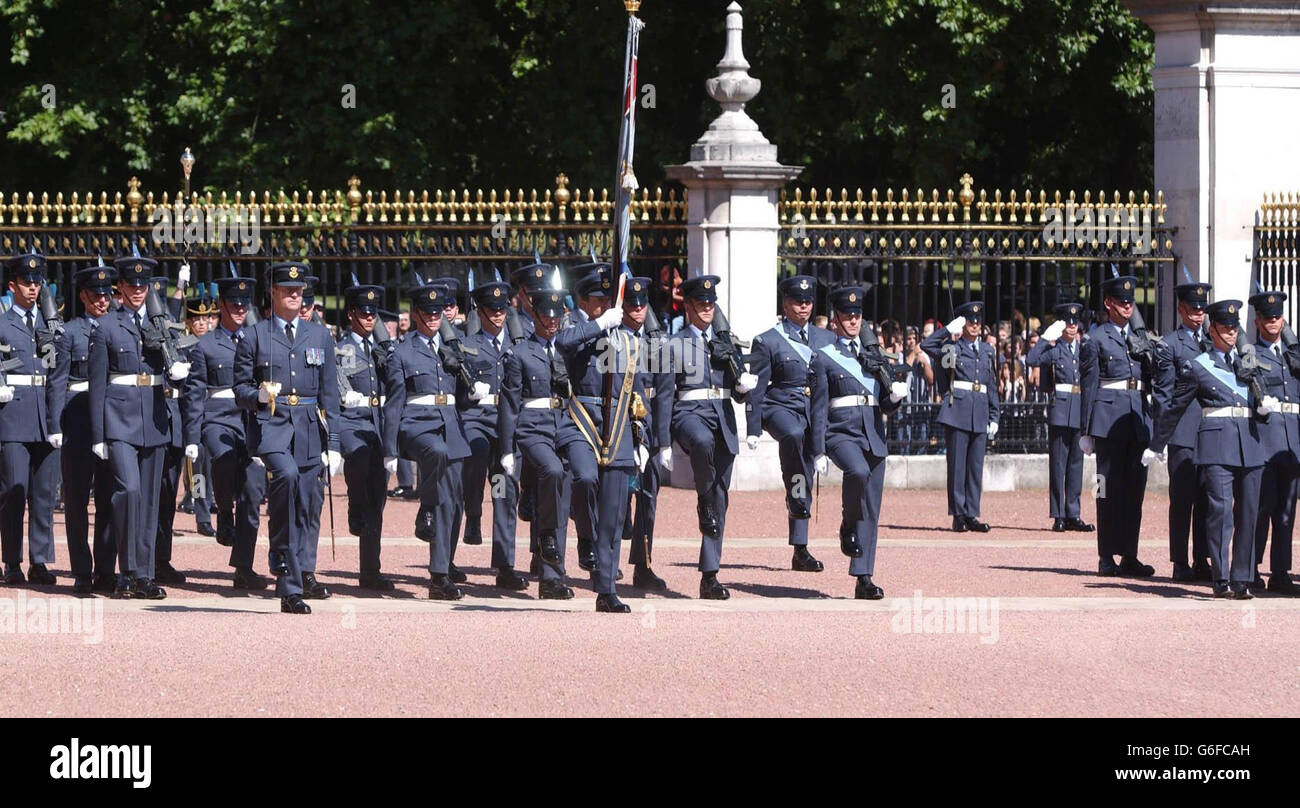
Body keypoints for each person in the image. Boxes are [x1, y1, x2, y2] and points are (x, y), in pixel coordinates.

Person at [233, 261, 342, 614]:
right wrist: (259, 397)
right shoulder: (255, 335)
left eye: (299, 290)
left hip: (310, 428)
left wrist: (335, 443)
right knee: (287, 477)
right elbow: (240, 388)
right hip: (272, 425)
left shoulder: (320, 335)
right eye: (288, 289)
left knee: (307, 503)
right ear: (274, 293)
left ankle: (294, 582)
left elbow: (329, 393)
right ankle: (281, 555)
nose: (295, 295)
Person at [1148, 299, 1271, 598]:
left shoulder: (1248, 361)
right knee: (1219, 512)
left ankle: (1242, 578)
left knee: (1249, 512)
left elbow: (1261, 403)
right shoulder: (1199, 366)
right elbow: (1177, 406)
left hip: (1250, 444)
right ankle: (1221, 577)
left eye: (1234, 328)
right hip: (1217, 444)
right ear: (1212, 329)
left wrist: (1262, 397)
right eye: (1225, 328)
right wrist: (1157, 443)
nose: (1231, 334)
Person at [90, 255, 190, 599]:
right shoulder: (106, 326)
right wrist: (97, 434)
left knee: (150, 501)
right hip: (118, 420)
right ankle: (127, 570)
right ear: (120, 286)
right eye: (130, 284)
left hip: (154, 418)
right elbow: (98, 383)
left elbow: (175, 368)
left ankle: (145, 575)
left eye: (142, 285)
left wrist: (178, 372)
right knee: (129, 491)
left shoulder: (162, 325)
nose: (136, 290)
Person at [654, 275, 757, 599]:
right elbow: (664, 395)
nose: (708, 309)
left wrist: (742, 386)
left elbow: (739, 392)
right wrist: (662, 441)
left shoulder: (727, 341)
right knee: (701, 443)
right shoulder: (674, 344)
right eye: (701, 305)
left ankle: (709, 575)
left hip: (723, 416)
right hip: (690, 414)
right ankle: (703, 500)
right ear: (688, 307)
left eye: (711, 304)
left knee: (720, 497)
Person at [555, 266, 650, 612]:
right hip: (582, 421)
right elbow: (563, 343)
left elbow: (637, 390)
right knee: (583, 476)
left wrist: (644, 439)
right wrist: (599, 325)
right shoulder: (575, 329)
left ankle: (607, 588)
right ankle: (584, 537)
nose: (604, 305)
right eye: (597, 300)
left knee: (613, 512)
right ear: (584, 300)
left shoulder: (626, 339)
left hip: (619, 425)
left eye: (608, 300)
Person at [810, 285, 909, 598]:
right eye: (847, 315)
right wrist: (817, 450)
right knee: (857, 473)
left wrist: (895, 396)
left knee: (872, 508)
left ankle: (863, 577)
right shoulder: (824, 357)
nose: (853, 320)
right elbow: (818, 406)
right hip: (840, 432)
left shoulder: (873, 356)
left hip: (872, 433)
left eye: (857, 315)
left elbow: (883, 403)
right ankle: (846, 523)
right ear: (836, 320)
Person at [382, 281, 470, 600]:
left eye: (438, 312)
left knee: (455, 499)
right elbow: (394, 403)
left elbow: (465, 391)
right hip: (417, 425)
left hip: (451, 425)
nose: (434, 318)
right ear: (416, 315)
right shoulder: (402, 352)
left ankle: (441, 572)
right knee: (436, 452)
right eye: (427, 312)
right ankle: (426, 508)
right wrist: (390, 449)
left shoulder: (454, 346)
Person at [182, 275, 269, 590]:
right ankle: (223, 509)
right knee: (223, 457)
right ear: (221, 306)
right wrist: (191, 438)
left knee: (254, 491)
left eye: (244, 305)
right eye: (233, 304)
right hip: (218, 419)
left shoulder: (260, 339)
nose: (239, 310)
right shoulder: (205, 344)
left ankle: (243, 566)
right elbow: (194, 395)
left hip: (250, 420)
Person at [746, 274, 834, 572]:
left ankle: (800, 548)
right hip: (780, 407)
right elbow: (758, 386)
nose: (804, 307)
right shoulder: (769, 339)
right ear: (785, 303)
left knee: (806, 467)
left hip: (812, 411)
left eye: (808, 301)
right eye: (798, 301)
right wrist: (753, 427)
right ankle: (795, 495)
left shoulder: (825, 339)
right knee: (794, 435)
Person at [499, 288, 581, 599]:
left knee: (564, 495)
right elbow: (509, 403)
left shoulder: (567, 351)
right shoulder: (520, 353)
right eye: (545, 316)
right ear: (534, 317)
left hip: (563, 426)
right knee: (552, 471)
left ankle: (552, 579)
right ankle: (545, 536)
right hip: (532, 429)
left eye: (556, 317)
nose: (550, 322)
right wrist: (507, 449)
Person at [1079, 274, 1157, 578]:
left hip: (1137, 419)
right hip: (1108, 422)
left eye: (1130, 301)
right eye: (1121, 301)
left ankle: (1130, 555)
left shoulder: (1141, 336)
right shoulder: (1096, 339)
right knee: (1106, 490)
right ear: (1108, 303)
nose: (1127, 305)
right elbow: (1089, 384)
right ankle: (1106, 555)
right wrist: (1086, 430)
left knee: (1134, 492)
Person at [51, 264, 117, 594]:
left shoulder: (120, 330)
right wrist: (54, 422)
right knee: (76, 499)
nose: (103, 301)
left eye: (107, 295)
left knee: (108, 496)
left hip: (110, 418)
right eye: (96, 295)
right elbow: (59, 379)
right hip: (77, 419)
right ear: (83, 297)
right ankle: (81, 569)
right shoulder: (70, 332)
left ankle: (106, 568)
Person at [456, 280, 527, 590]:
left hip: (506, 424)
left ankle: (504, 564)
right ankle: (472, 514)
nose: (498, 315)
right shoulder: (467, 344)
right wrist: (470, 393)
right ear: (480, 312)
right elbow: (456, 392)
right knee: (475, 457)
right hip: (477, 419)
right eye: (491, 310)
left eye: (502, 309)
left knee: (505, 490)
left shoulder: (518, 345)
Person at [0, 253, 63, 586]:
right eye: (27, 282)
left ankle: (40, 560)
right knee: (13, 490)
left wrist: (57, 420)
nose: (33, 287)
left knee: (44, 494)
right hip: (12, 416)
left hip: (46, 416)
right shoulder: (2, 323)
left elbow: (58, 371)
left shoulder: (50, 323)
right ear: (13, 286)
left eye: (37, 282)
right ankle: (12, 560)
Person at [335, 283, 396, 591]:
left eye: (373, 313)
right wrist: (349, 397)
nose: (370, 318)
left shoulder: (385, 347)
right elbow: (340, 383)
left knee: (379, 497)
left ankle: (370, 570)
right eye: (364, 312)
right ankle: (353, 504)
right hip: (352, 422)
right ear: (352, 315)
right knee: (357, 465)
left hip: (380, 423)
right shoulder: (343, 348)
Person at [921, 301, 1000, 532]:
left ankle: (972, 513)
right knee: (957, 466)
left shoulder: (987, 350)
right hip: (958, 410)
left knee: (975, 467)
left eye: (977, 321)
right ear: (962, 324)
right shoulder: (951, 349)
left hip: (980, 410)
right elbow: (927, 345)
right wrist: (947, 330)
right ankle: (958, 514)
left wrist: (994, 415)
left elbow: (991, 384)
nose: (975, 325)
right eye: (969, 321)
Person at [1248, 290, 1300, 593]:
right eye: (1267, 318)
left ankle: (1280, 572)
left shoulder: (1293, 354)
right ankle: (1252, 567)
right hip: (1265, 440)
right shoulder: (1252, 354)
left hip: (1291, 441)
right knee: (1261, 508)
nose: (1273, 322)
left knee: (1286, 511)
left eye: (1277, 317)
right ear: (1257, 321)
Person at [1025, 302, 1093, 532]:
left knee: (1076, 463)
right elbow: (1031, 360)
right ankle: (1058, 514)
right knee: (1058, 463)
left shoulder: (1084, 350)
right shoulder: (1054, 350)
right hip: (1060, 409)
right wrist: (1045, 338)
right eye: (1067, 323)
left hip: (1079, 408)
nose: (1072, 328)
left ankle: (1073, 513)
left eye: (1075, 324)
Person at [620, 277, 667, 590]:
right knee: (615, 500)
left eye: (641, 304)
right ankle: (606, 560)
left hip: (647, 429)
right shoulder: (611, 341)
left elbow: (664, 394)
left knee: (647, 500)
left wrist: (662, 442)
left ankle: (643, 564)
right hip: (619, 429)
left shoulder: (658, 343)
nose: (637, 310)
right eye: (631, 304)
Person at [151, 276, 193, 585]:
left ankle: (161, 559)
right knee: (146, 497)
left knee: (167, 496)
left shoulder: (175, 333)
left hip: (174, 421)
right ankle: (140, 562)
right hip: (149, 420)